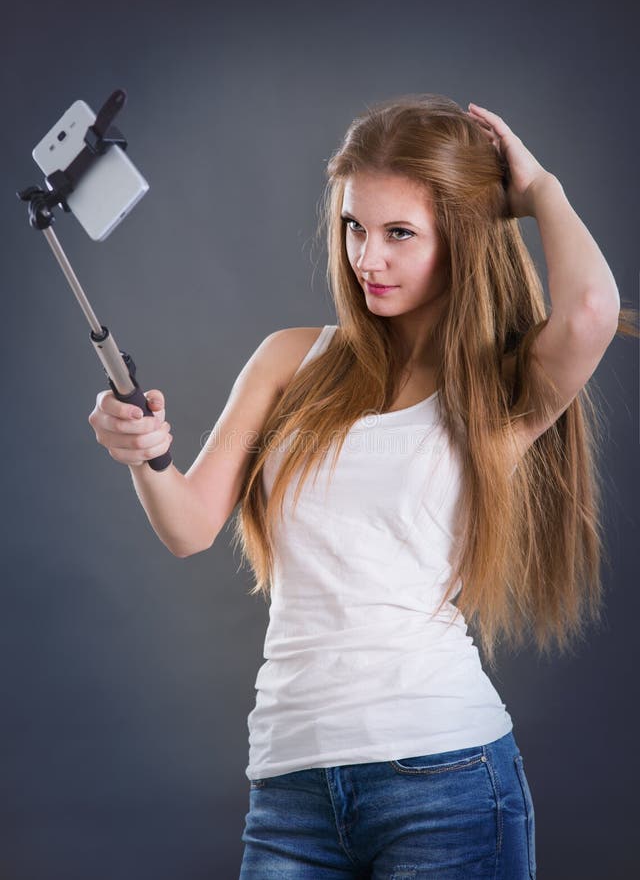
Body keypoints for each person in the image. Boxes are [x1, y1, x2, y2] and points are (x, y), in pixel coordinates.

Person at [88, 94, 638, 878]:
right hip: (290, 789)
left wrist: (538, 190)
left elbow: (590, 310)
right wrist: (144, 453)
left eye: (399, 233)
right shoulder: (291, 359)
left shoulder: (497, 388)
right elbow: (188, 526)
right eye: (354, 226)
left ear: (464, 238)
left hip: (445, 780)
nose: (366, 257)